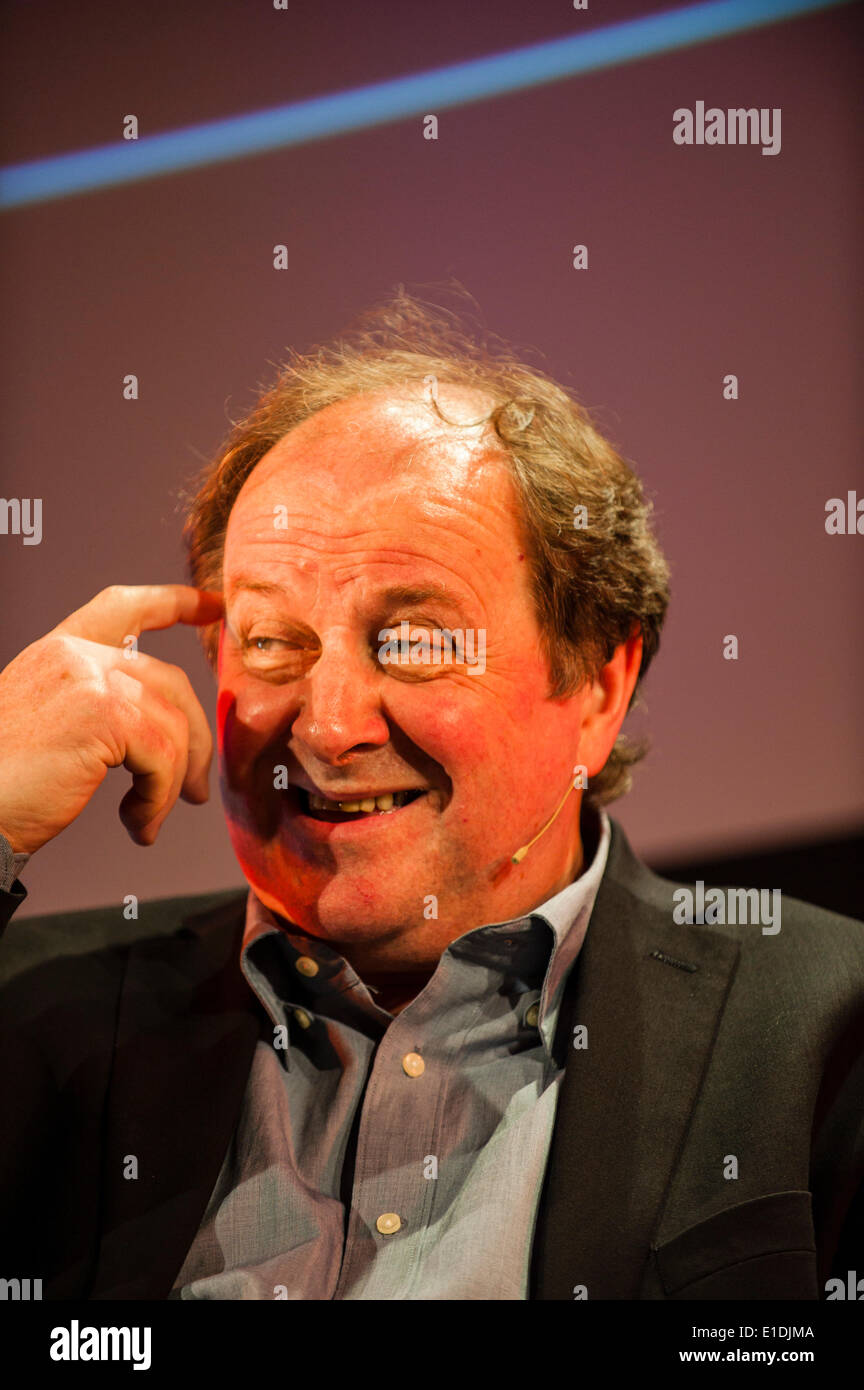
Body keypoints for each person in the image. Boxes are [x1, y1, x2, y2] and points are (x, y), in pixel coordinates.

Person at [1, 293, 861, 1301]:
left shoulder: (827, 1026)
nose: (327, 725)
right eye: (272, 640)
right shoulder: (28, 1012)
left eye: (412, 639)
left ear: (597, 685)